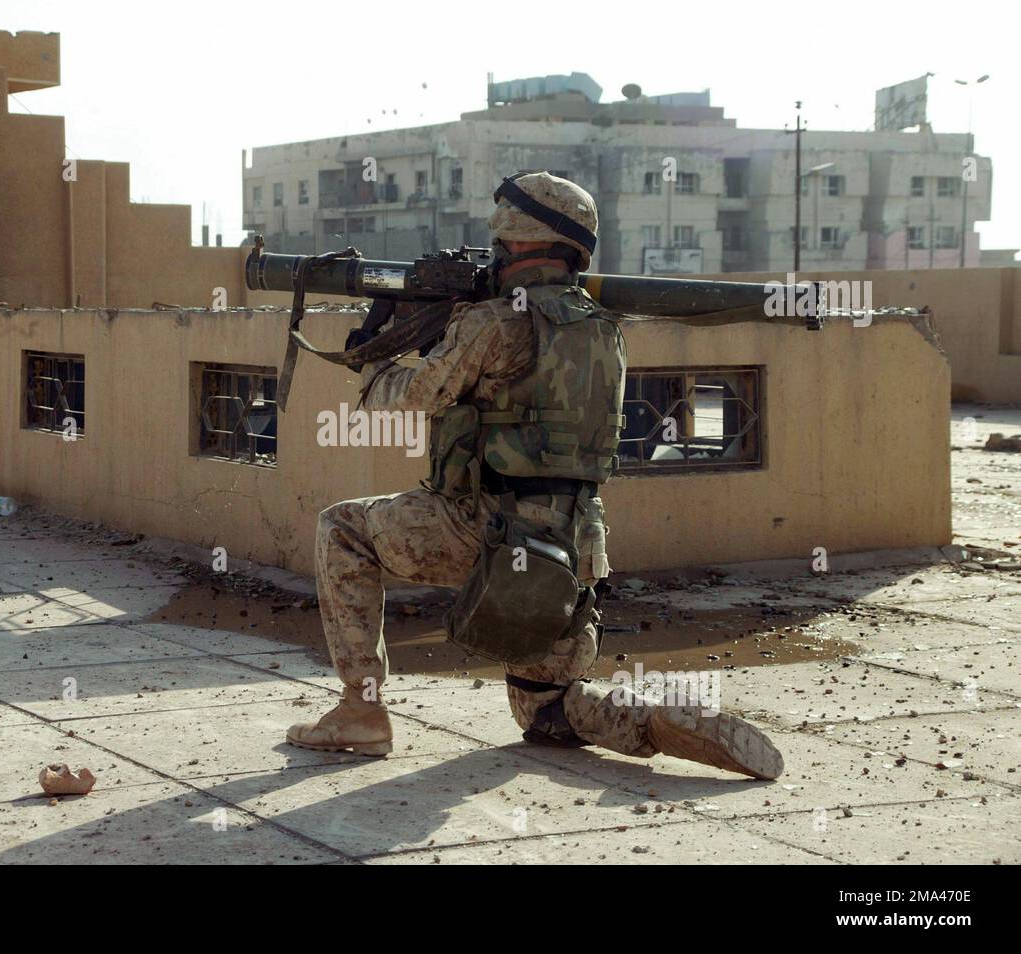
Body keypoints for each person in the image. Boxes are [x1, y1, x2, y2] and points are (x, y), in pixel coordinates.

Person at [286, 172, 784, 780]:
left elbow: (412, 396)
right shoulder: (604, 328)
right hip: (573, 549)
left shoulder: (494, 323)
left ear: (519, 241)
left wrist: (370, 351)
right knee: (544, 710)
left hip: (484, 534)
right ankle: (649, 722)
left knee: (342, 529)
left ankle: (360, 712)